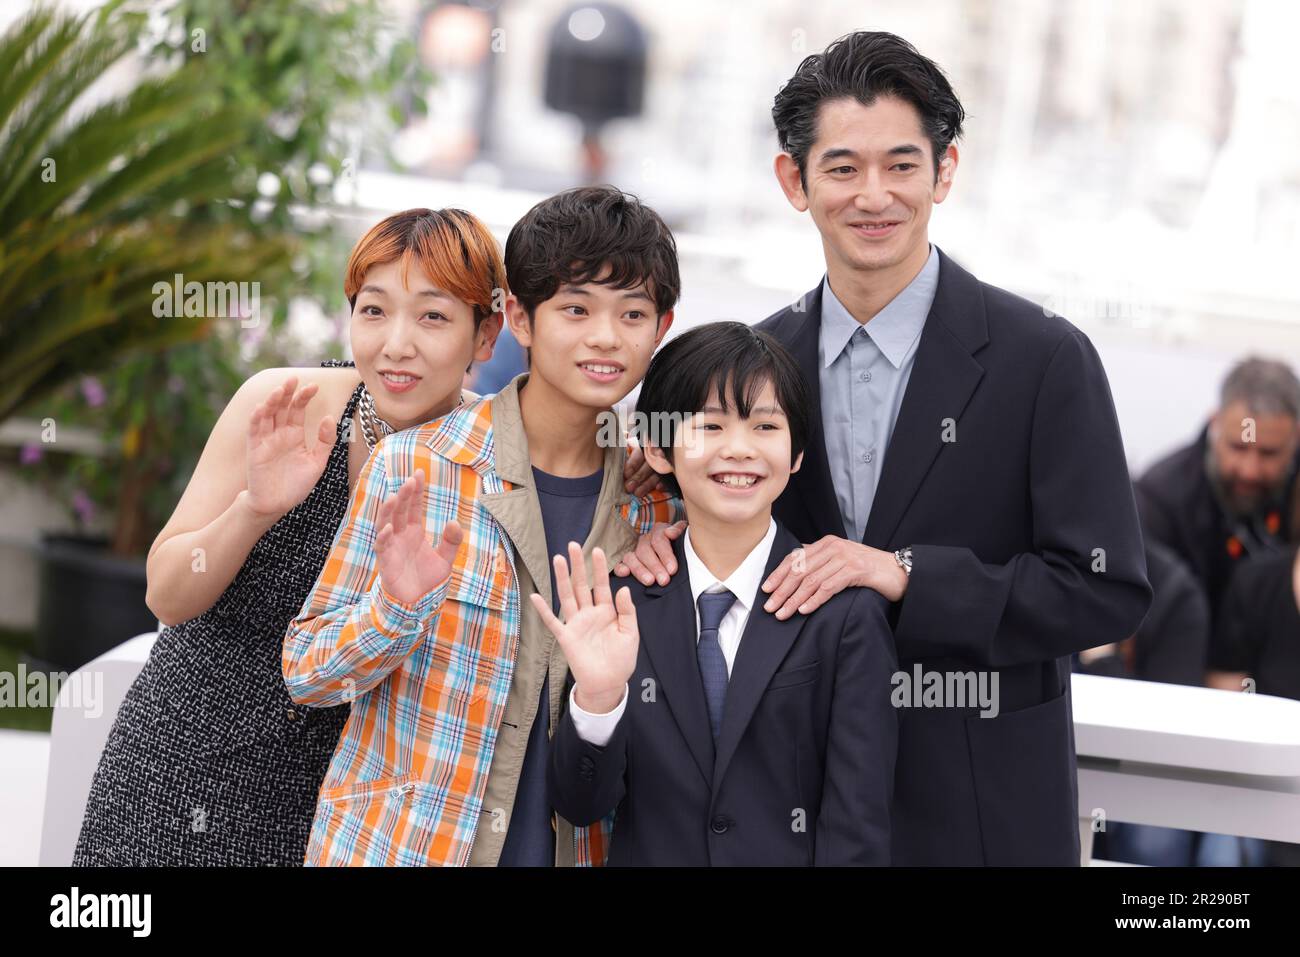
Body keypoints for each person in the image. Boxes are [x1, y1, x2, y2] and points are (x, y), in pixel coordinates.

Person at [617, 31, 1151, 866]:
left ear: (945, 172)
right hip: (790, 811)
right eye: (842, 167)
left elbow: (1105, 590)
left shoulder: (1044, 358)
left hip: (979, 807)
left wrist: (906, 573)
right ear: (793, 180)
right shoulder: (761, 362)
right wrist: (664, 538)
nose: (875, 195)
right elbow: (712, 519)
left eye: (902, 165)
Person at [73, 208, 505, 865]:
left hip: (332, 809)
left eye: (434, 316)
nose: (396, 343)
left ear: (487, 334)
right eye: (374, 310)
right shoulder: (284, 402)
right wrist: (255, 506)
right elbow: (166, 594)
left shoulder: (486, 461)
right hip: (176, 761)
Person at [282, 186, 681, 866]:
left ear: (662, 327)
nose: (606, 336)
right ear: (519, 318)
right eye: (576, 309)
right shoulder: (418, 464)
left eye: (632, 313)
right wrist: (394, 610)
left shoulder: (656, 510)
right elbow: (308, 675)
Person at [544, 322, 898, 865]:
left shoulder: (845, 614)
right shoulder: (621, 604)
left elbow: (857, 822)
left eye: (764, 426)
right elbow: (580, 804)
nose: (738, 450)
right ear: (658, 452)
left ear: (797, 454)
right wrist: (597, 701)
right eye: (709, 426)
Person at [1136, 357, 1300, 633]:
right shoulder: (1161, 498)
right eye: (1238, 447)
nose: (1250, 471)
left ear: (1295, 438)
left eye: (1269, 453)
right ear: (1216, 424)